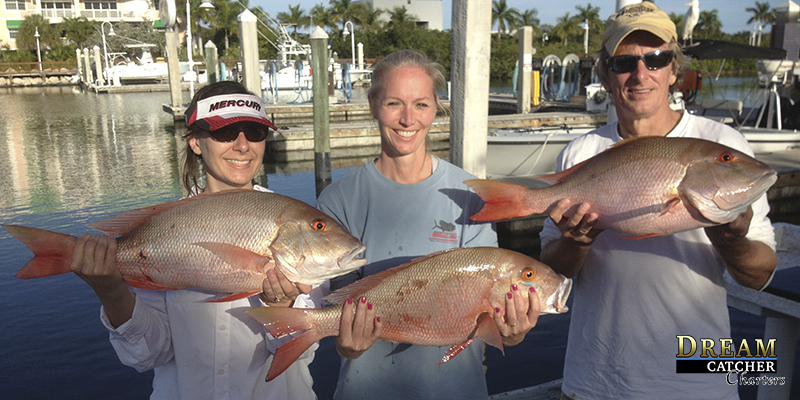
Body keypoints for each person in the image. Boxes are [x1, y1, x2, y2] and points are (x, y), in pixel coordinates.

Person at [538, 3, 778, 399]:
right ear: (606, 73)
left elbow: (758, 276)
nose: (641, 73)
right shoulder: (581, 153)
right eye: (624, 62)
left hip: (699, 381)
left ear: (673, 70)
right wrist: (575, 241)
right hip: (596, 381)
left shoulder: (724, 147)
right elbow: (551, 272)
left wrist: (730, 238)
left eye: (656, 59)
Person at [70, 81, 322, 400]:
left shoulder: (298, 229)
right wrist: (110, 291)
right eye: (225, 132)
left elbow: (301, 353)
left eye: (255, 132)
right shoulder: (167, 226)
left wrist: (282, 306)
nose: (243, 145)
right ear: (195, 142)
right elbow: (147, 355)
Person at [316, 50, 541, 400]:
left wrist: (511, 333)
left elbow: (490, 318)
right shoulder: (337, 200)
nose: (408, 119)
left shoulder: (468, 196)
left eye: (420, 104)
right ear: (374, 103)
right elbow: (339, 312)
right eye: (394, 103)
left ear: (436, 107)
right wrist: (348, 345)